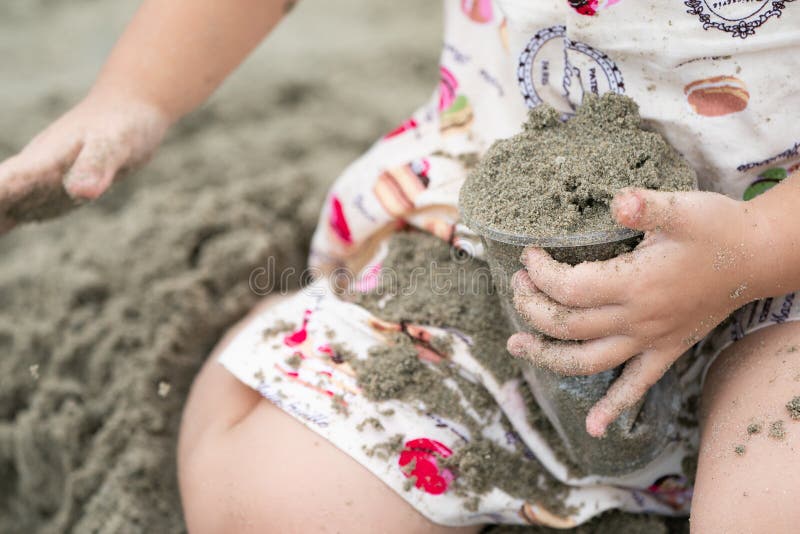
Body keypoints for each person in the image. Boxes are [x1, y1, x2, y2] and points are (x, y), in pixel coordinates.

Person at [1, 0, 799, 532]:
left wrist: (753, 251)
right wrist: (136, 93)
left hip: (778, 277)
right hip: (494, 233)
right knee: (271, 487)